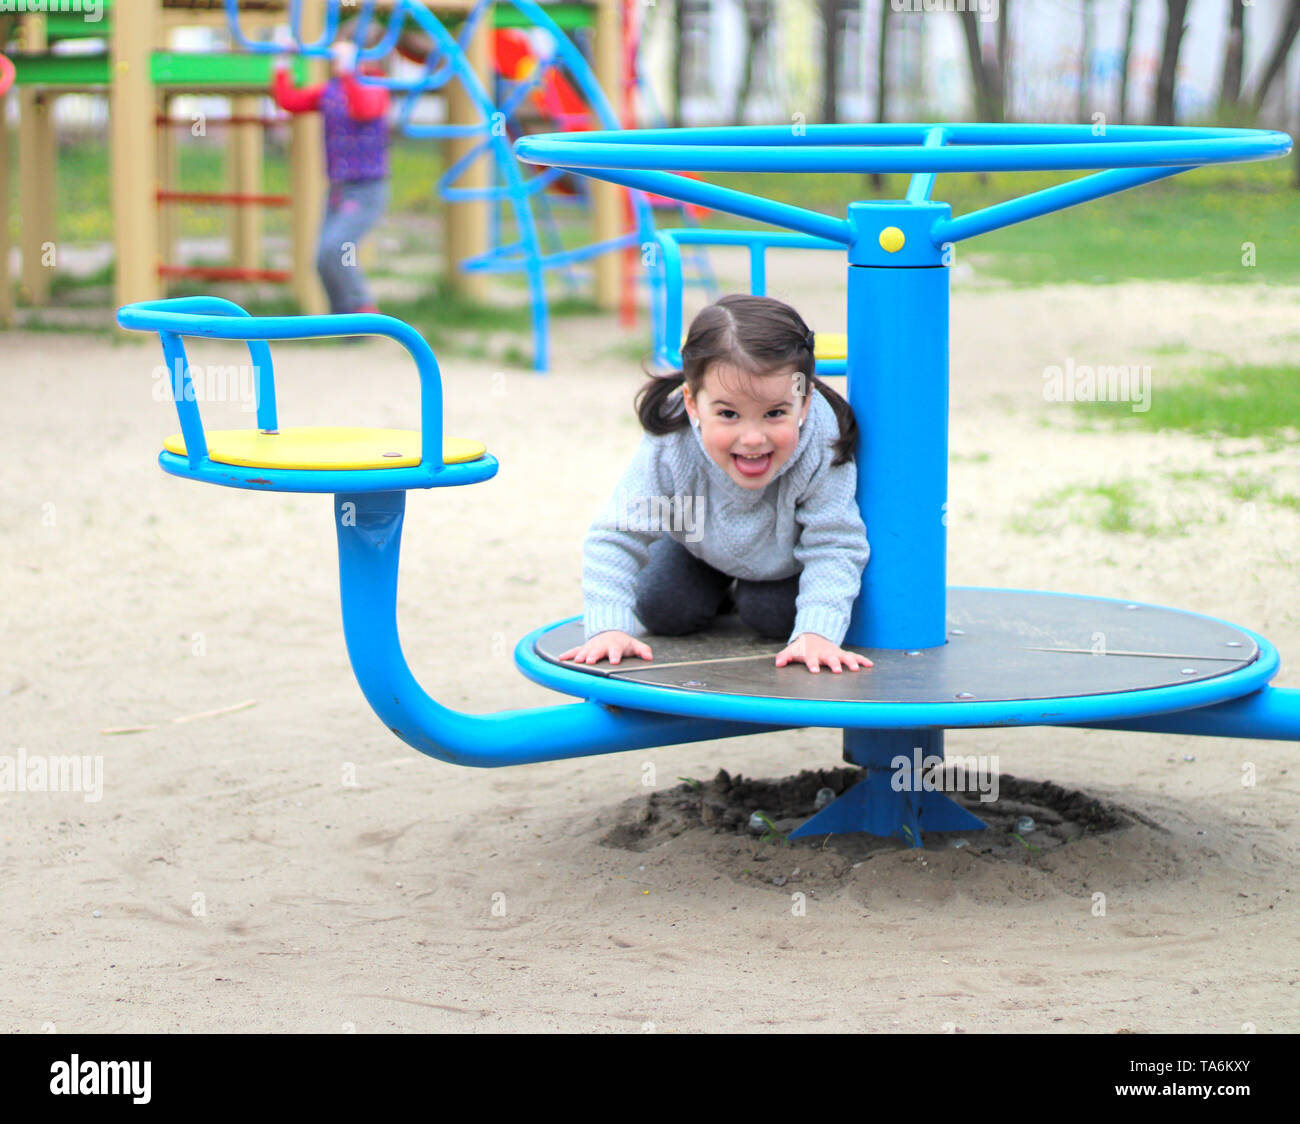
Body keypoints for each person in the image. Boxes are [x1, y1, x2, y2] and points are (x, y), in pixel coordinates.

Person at [560, 294, 873, 675]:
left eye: (775, 413)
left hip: (781, 562)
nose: (753, 437)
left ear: (804, 402)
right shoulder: (673, 438)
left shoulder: (821, 442)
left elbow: (835, 542)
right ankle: (716, 594)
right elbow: (616, 533)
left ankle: (748, 598)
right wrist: (607, 629)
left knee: (773, 618)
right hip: (698, 545)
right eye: (728, 414)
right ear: (693, 403)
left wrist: (817, 633)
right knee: (663, 607)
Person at [272, 41, 390, 315]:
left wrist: (350, 72)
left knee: (336, 248)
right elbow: (289, 101)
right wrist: (282, 63)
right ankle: (343, 316)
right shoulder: (332, 90)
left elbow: (363, 109)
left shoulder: (376, 87)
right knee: (322, 258)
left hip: (367, 187)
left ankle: (363, 309)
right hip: (339, 189)